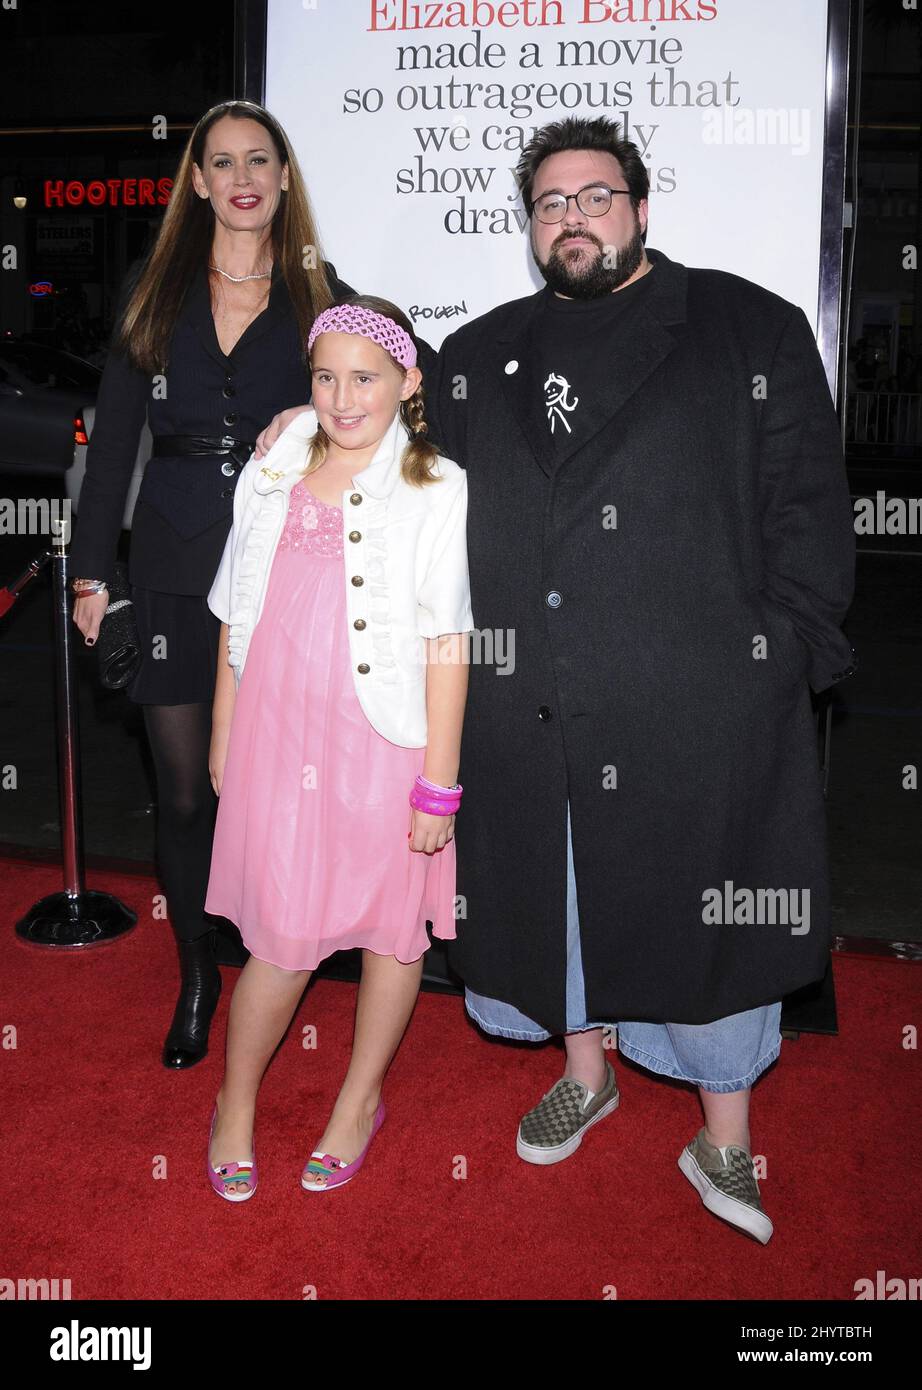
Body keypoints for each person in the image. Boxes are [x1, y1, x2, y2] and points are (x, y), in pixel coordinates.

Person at [254, 117, 857, 1244]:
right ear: (529, 226)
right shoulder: (482, 354)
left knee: (712, 914)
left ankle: (724, 1133)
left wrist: (786, 664)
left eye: (595, 195)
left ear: (637, 207)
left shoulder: (747, 328)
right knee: (564, 896)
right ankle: (589, 1068)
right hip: (531, 703)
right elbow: (383, 439)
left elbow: (810, 517)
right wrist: (300, 436)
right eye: (548, 202)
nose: (571, 216)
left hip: (698, 705)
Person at [69, 99, 354, 1069]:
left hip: (287, 567)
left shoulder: (317, 291)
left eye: (259, 161)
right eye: (221, 162)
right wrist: (89, 574)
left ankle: (277, 956)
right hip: (176, 565)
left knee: (275, 791)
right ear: (196, 181)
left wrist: (312, 421)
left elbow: (402, 376)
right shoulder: (158, 289)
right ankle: (197, 972)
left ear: (282, 178)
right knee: (187, 793)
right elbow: (112, 446)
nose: (241, 177)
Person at [203, 296, 473, 1200]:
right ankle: (234, 1104)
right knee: (280, 935)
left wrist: (438, 785)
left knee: (393, 934)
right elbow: (235, 607)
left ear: (408, 382)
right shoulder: (274, 466)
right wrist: (222, 727)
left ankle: (358, 1100)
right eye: (326, 376)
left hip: (384, 740)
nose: (344, 396)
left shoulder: (438, 485)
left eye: (366, 376)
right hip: (278, 739)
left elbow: (448, 640)